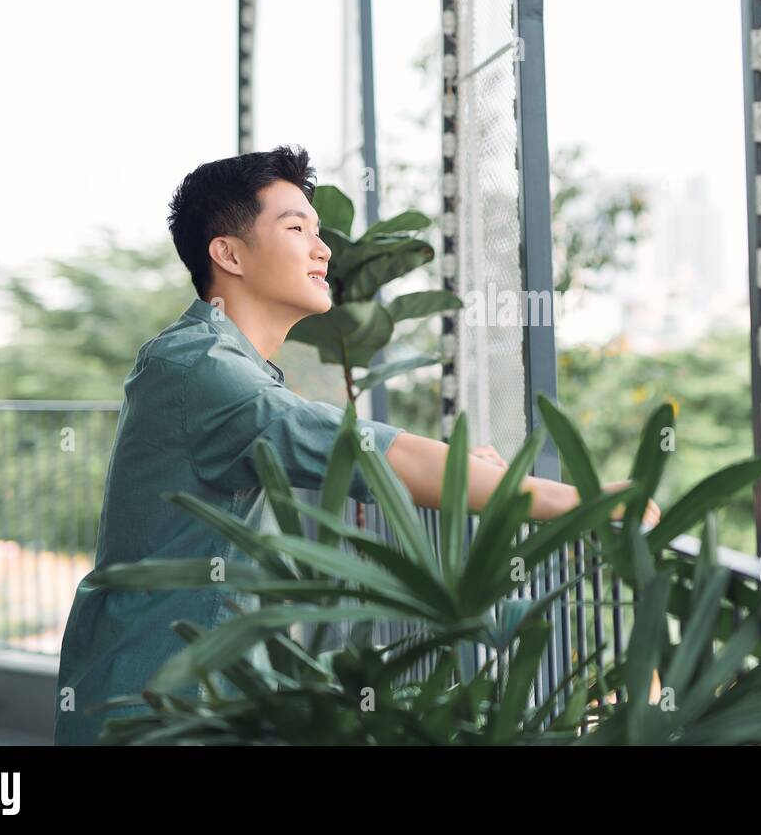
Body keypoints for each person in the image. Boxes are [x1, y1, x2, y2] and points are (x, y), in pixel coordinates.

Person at [53, 144, 658, 745]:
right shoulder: (199, 366)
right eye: (296, 228)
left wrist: (457, 465)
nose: (323, 249)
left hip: (197, 690)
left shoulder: (228, 363)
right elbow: (358, 449)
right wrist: (577, 501)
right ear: (229, 254)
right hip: (158, 699)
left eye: (319, 231)